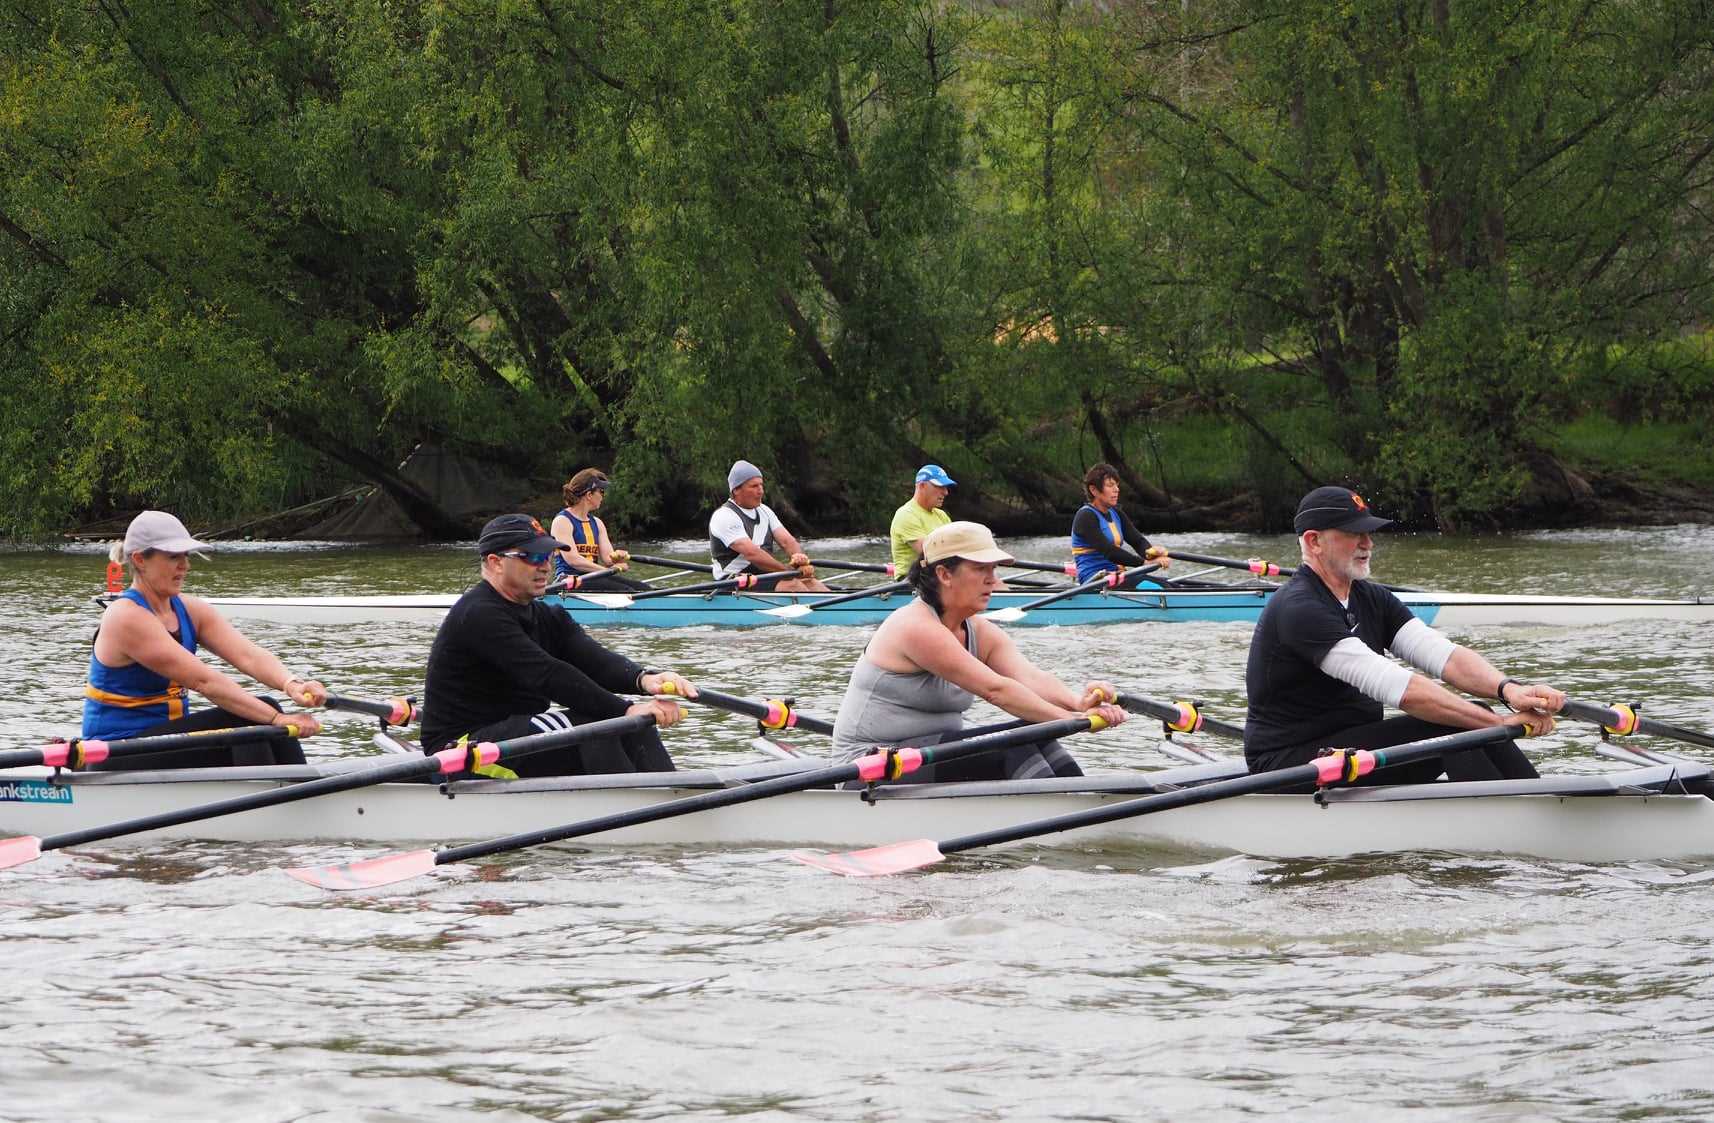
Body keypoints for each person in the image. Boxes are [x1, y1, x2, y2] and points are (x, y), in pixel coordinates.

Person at [1243, 486, 1563, 785]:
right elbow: (1401, 690)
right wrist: (1495, 726)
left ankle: (1534, 802)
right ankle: (1514, 820)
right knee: (1460, 723)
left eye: (1368, 532)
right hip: (1287, 763)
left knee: (1475, 714)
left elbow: (1444, 657)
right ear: (1314, 541)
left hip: (1350, 745)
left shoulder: (1370, 598)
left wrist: (1510, 691)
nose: (1368, 543)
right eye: (1354, 533)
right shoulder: (1299, 609)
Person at [832, 521, 1126, 781]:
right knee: (1015, 744)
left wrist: (1078, 704)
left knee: (1036, 731)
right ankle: (1066, 819)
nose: (993, 580)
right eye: (980, 569)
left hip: (921, 753)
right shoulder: (915, 627)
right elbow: (995, 690)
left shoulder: (977, 630)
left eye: (993, 569)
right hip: (869, 765)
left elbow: (1030, 678)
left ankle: (1081, 805)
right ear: (945, 574)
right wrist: (1069, 721)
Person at [420, 514, 698, 777]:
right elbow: (548, 675)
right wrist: (625, 708)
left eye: (549, 556)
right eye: (533, 556)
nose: (545, 566)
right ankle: (637, 811)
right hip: (458, 749)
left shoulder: (546, 615)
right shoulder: (479, 614)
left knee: (633, 723)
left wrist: (646, 680)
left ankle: (670, 794)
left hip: (507, 734)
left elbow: (594, 661)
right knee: (602, 726)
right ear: (495, 562)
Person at [83, 511, 325, 769]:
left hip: (166, 741)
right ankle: (280, 799)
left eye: (185, 556)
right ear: (140, 560)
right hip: (115, 751)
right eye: (173, 556)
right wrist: (277, 718)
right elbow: (205, 681)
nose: (185, 566)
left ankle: (299, 790)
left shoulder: (189, 610)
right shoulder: (126, 617)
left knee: (261, 717)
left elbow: (248, 655)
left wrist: (292, 684)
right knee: (256, 718)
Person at [708, 460, 830, 592]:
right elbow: (752, 554)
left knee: (810, 583)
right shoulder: (724, 516)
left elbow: (787, 541)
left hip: (763, 576)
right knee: (793, 585)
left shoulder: (765, 511)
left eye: (761, 485)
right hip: (733, 580)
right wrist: (787, 571)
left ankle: (838, 611)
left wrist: (799, 560)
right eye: (754, 486)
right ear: (736, 490)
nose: (760, 491)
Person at [549, 468, 648, 593]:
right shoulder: (562, 521)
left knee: (643, 589)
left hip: (594, 577)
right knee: (626, 591)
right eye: (601, 492)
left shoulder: (597, 523)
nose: (603, 496)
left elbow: (608, 560)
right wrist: (606, 571)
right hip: (568, 580)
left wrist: (618, 558)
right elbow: (573, 560)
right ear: (589, 495)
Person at [1070, 463, 1170, 583]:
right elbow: (1109, 552)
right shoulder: (1085, 516)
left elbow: (1138, 541)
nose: (1116, 489)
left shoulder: (1116, 513)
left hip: (1116, 576)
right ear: (1094, 490)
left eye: (1117, 485)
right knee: (1158, 586)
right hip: (1094, 579)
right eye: (1110, 485)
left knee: (1172, 586)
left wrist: (1152, 554)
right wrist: (1144, 563)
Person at [888, 464, 954, 576]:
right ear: (922, 486)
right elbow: (932, 554)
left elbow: (957, 545)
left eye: (946, 487)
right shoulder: (906, 514)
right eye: (940, 486)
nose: (945, 492)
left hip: (937, 580)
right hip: (911, 584)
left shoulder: (941, 515)